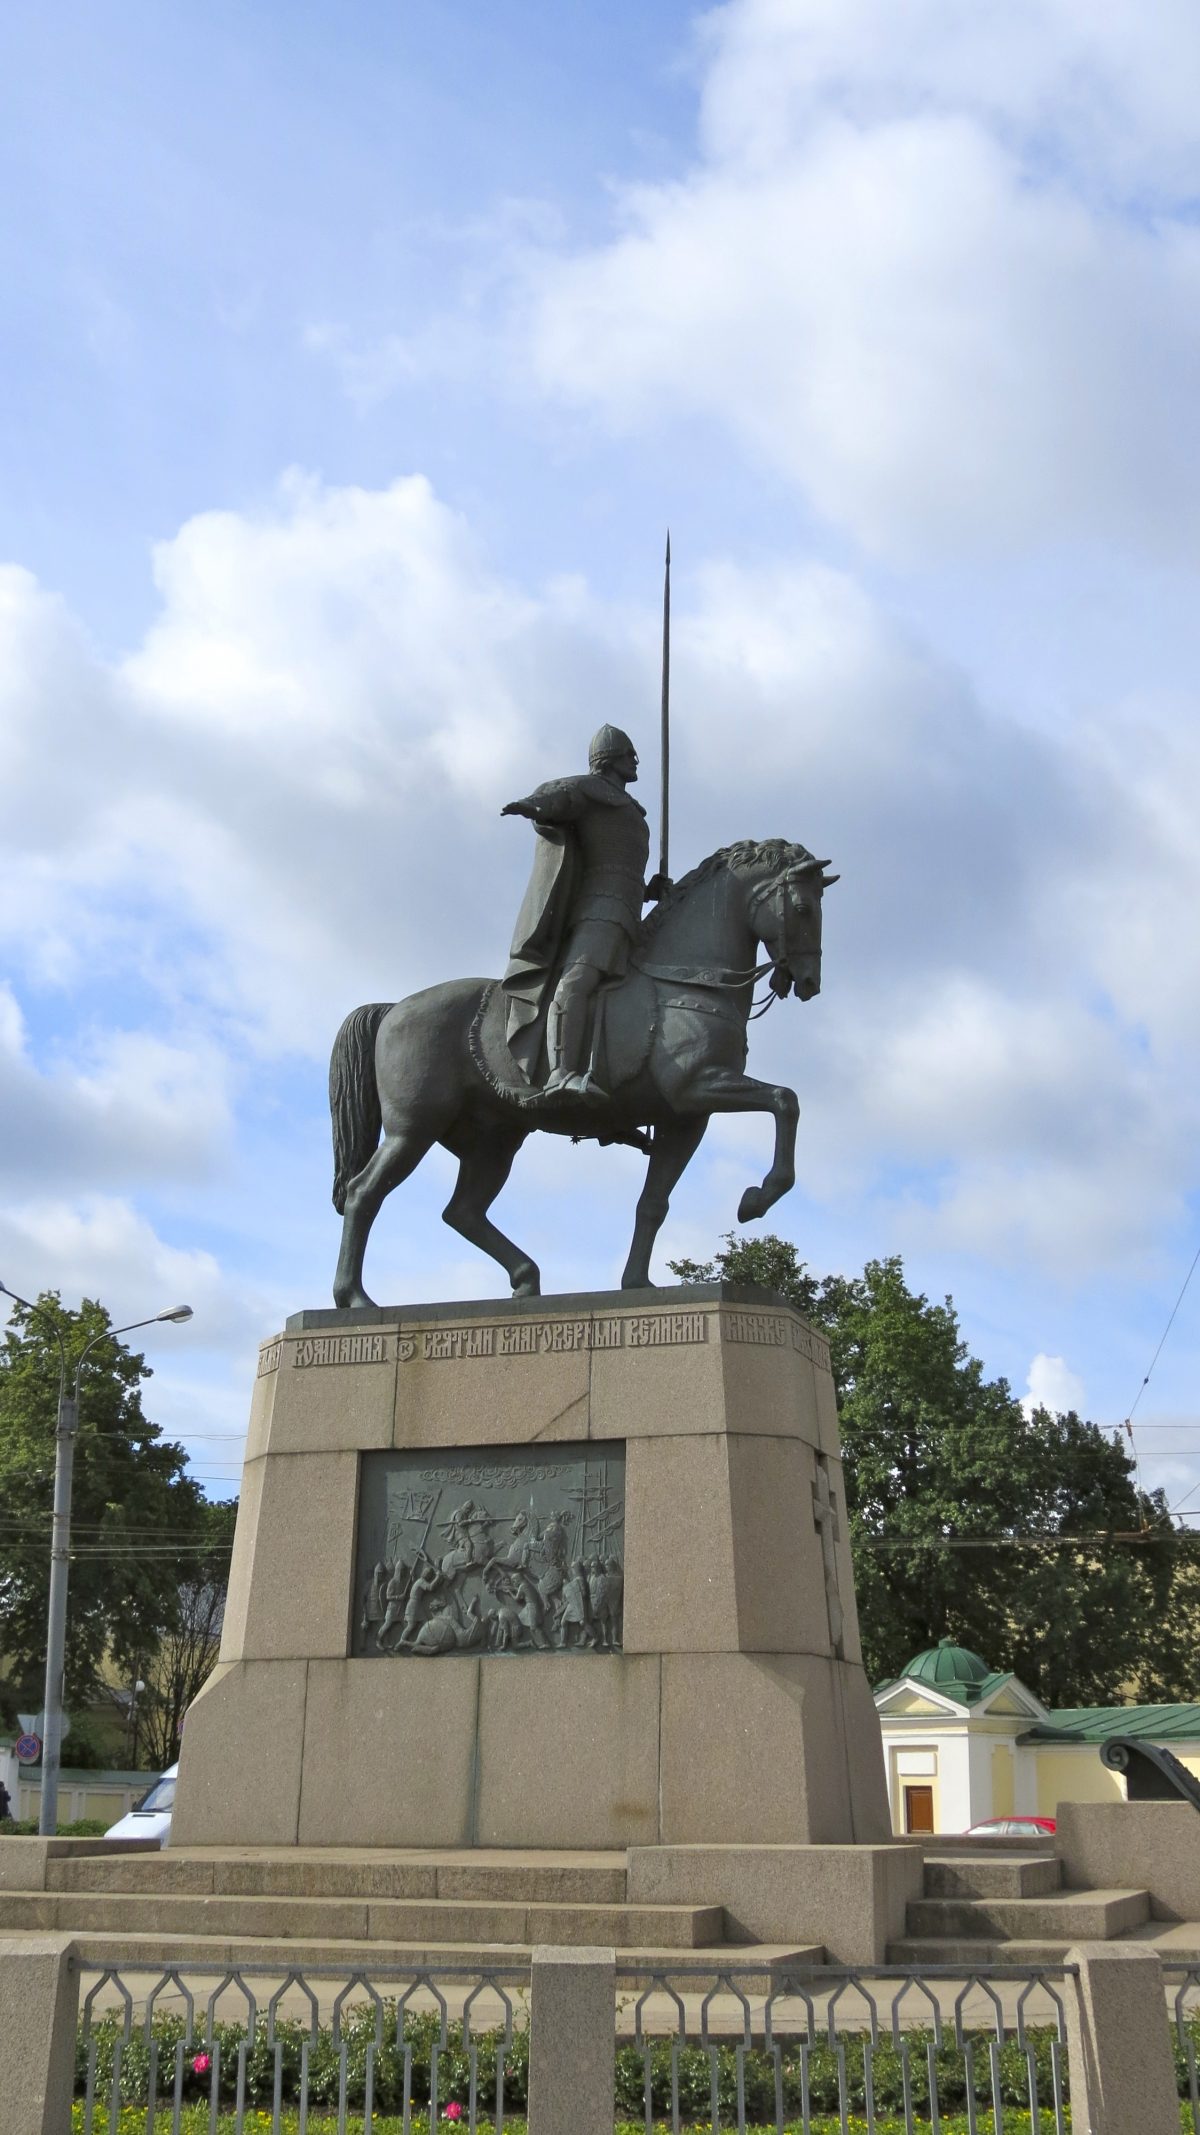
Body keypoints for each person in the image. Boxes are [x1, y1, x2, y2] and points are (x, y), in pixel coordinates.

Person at [501, 725, 668, 1096]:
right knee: (578, 981)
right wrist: (535, 804)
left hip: (626, 912)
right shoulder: (590, 791)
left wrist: (648, 890)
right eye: (627, 753)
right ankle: (561, 1072)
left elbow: (621, 870)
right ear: (608, 758)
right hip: (598, 911)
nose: (635, 760)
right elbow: (558, 796)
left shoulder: (630, 811)